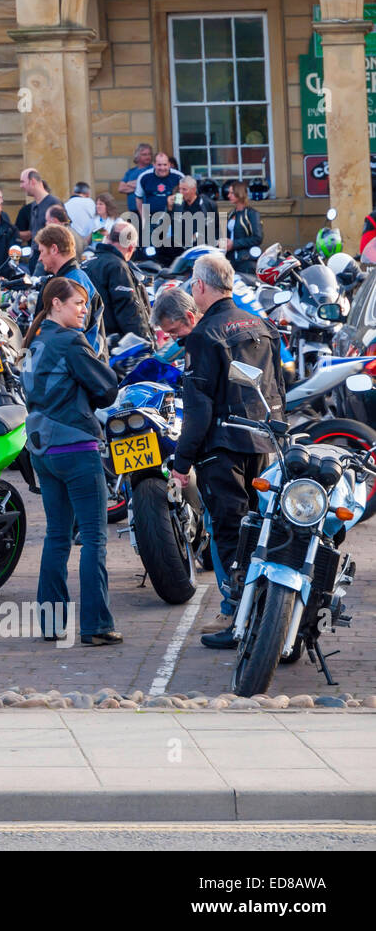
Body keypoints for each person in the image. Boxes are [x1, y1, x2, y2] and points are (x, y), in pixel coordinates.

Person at [160, 254, 286, 650]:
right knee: (262, 529)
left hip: (224, 449)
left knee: (232, 536)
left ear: (199, 286)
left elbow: (198, 409)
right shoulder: (262, 325)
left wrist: (181, 465)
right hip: (264, 444)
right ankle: (261, 617)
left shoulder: (204, 335)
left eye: (192, 286)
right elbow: (279, 388)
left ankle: (241, 622)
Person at [22, 276, 120, 645]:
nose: (84, 309)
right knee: (94, 539)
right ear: (56, 305)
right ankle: (96, 626)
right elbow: (107, 388)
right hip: (76, 449)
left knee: (57, 537)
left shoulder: (35, 342)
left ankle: (51, 625)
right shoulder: (70, 341)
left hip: (43, 452)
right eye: (78, 303)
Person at [83, 220, 156, 349]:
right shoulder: (117, 267)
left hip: (89, 342)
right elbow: (128, 309)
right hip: (112, 346)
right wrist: (145, 345)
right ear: (130, 247)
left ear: (109, 238)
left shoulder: (88, 264)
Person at [34, 222, 104, 356]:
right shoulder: (66, 278)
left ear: (54, 249)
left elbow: (73, 334)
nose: (40, 258)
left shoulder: (74, 281)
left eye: (42, 251)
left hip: (74, 366)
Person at [135, 151, 182, 252]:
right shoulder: (144, 177)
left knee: (172, 250)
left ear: (169, 164)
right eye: (159, 165)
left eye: (165, 164)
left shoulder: (178, 177)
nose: (162, 168)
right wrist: (143, 218)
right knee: (151, 251)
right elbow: (139, 198)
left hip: (172, 221)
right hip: (152, 220)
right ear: (154, 164)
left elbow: (183, 198)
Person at [169, 175, 220, 267]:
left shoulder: (207, 203)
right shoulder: (178, 201)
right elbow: (172, 223)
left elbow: (214, 228)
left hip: (202, 248)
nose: (181, 192)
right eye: (180, 189)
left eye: (184, 190)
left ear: (194, 189)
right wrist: (169, 208)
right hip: (182, 249)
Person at [223, 180, 263, 276]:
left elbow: (257, 238)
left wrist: (234, 244)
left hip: (245, 260)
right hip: (230, 259)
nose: (229, 195)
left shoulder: (251, 213)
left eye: (232, 193)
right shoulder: (232, 213)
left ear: (239, 193)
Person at [20, 168, 60, 236]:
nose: (21, 186)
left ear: (32, 181)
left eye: (23, 182)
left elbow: (60, 234)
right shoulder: (34, 205)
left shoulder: (54, 203)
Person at [118, 143, 154, 217]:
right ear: (137, 156)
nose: (148, 157)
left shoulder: (153, 170)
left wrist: (129, 183)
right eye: (144, 154)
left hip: (148, 210)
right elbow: (121, 188)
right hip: (133, 211)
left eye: (149, 154)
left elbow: (148, 186)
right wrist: (141, 186)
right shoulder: (131, 171)